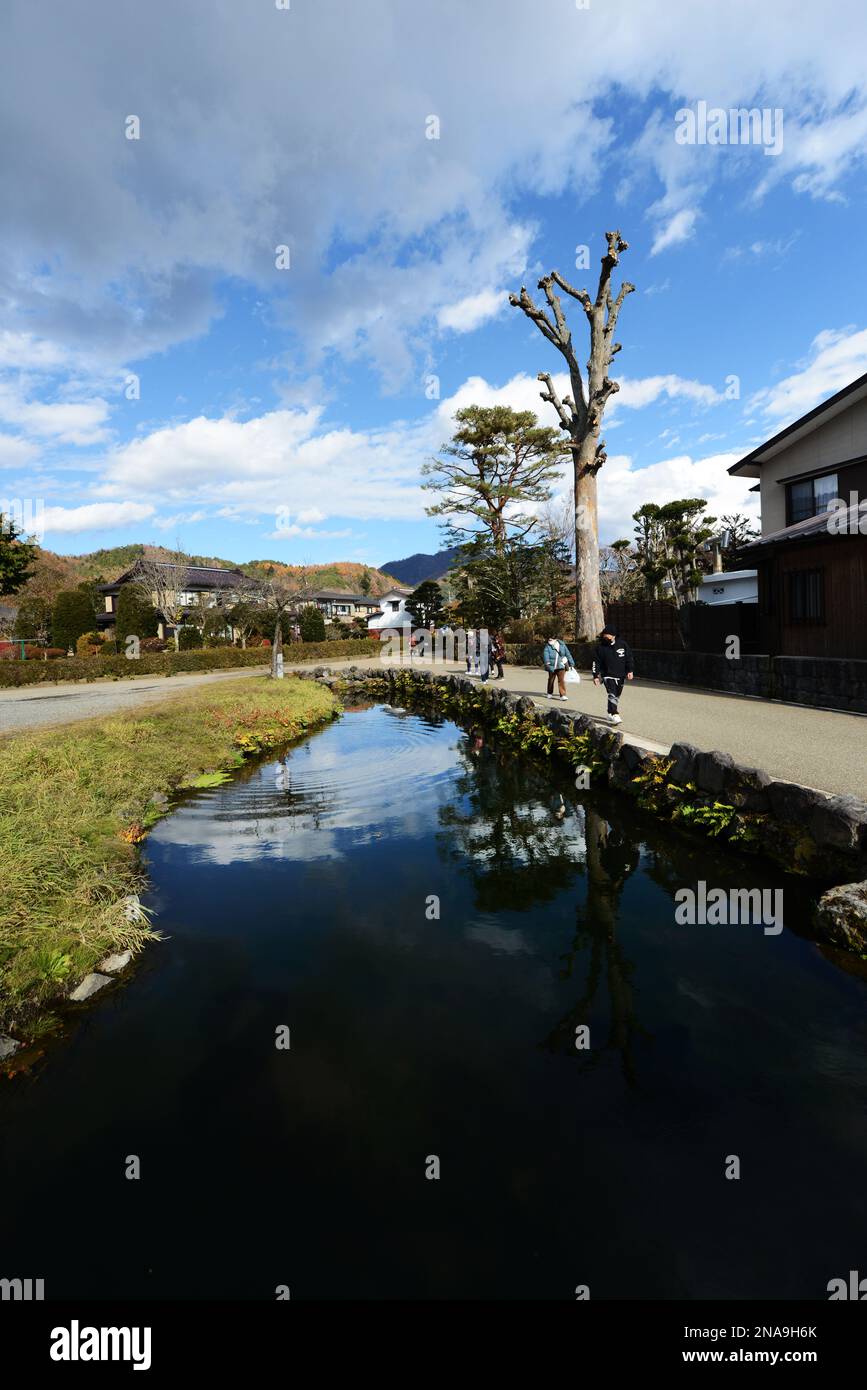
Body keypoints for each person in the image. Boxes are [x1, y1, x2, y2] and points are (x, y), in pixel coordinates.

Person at [592, 626, 634, 724]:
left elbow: (629, 658)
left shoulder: (623, 645)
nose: (605, 636)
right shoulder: (600, 647)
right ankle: (615, 714)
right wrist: (595, 676)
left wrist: (630, 670)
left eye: (607, 634)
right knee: (612, 694)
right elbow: (596, 662)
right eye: (604, 634)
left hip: (621, 674)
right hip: (607, 675)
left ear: (613, 635)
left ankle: (610, 713)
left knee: (617, 695)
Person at [542, 633, 576, 700]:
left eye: (551, 638)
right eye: (549, 639)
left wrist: (571, 663)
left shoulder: (562, 645)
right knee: (551, 680)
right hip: (552, 666)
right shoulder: (547, 646)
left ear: (556, 639)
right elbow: (545, 655)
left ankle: (563, 695)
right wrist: (547, 663)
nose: (550, 640)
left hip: (561, 665)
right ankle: (549, 693)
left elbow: (567, 654)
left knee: (561, 680)